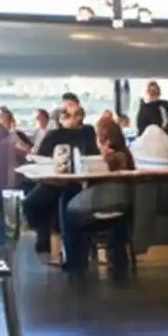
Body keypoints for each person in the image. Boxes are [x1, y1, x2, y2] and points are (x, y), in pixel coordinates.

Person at [60, 117, 135, 275]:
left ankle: (75, 262)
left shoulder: (112, 158)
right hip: (123, 207)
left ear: (105, 140)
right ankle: (117, 262)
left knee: (68, 210)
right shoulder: (127, 154)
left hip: (103, 206)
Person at [24, 108, 101, 258]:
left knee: (58, 203)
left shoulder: (87, 133)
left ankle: (52, 245)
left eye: (75, 115)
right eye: (66, 116)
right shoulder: (54, 135)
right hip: (53, 181)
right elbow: (41, 156)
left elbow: (92, 155)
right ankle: (45, 240)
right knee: (31, 203)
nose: (71, 119)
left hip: (77, 183)